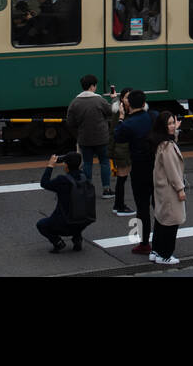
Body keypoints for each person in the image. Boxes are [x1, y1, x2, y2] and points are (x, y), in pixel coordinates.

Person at [114, 89, 156, 255]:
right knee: (158, 205)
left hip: (139, 169)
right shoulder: (153, 116)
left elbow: (118, 137)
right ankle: (161, 241)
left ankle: (144, 243)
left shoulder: (128, 124)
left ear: (127, 103)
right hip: (157, 166)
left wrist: (122, 118)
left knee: (142, 207)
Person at [37, 151, 94, 253]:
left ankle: (58, 242)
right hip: (84, 221)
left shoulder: (63, 180)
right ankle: (77, 239)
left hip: (64, 223)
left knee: (41, 224)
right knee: (77, 212)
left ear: (66, 165)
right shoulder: (84, 177)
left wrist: (50, 165)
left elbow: (44, 183)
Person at [66, 74, 113, 197]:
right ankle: (106, 190)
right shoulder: (100, 100)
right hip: (102, 138)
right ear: (92, 86)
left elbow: (70, 122)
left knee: (87, 163)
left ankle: (87, 190)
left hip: (84, 139)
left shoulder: (75, 102)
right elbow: (111, 112)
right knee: (104, 162)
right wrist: (114, 99)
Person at [150, 110, 186, 265]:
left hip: (161, 188)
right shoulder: (167, 146)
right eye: (169, 124)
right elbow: (172, 170)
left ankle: (156, 251)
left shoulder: (160, 142)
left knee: (161, 219)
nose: (172, 126)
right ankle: (165, 254)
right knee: (172, 222)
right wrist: (180, 189)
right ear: (163, 126)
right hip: (170, 189)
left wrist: (175, 131)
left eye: (173, 123)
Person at [107, 87, 134, 217]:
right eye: (127, 97)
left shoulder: (124, 109)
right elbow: (115, 131)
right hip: (121, 149)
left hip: (125, 149)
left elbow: (115, 100)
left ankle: (118, 205)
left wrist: (114, 97)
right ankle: (119, 206)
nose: (129, 100)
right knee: (122, 178)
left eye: (131, 97)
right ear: (122, 99)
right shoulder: (119, 112)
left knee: (123, 179)